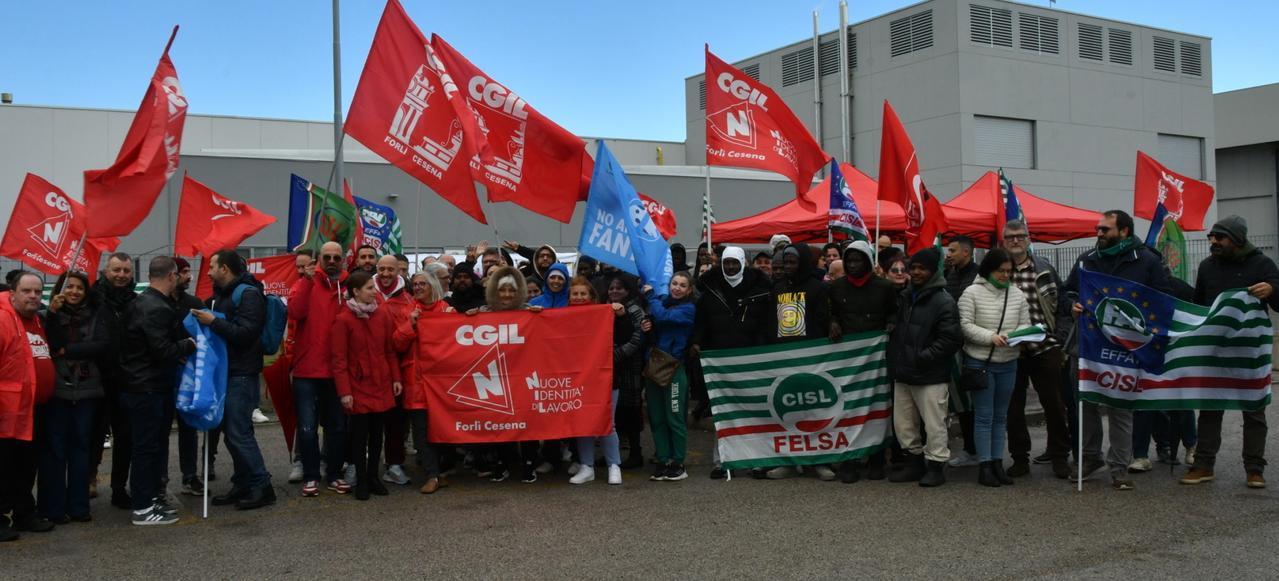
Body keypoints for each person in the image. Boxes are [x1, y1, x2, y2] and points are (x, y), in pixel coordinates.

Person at [1064, 210, 1171, 491]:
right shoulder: (1087, 259)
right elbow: (1068, 291)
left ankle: (1119, 467)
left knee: (1120, 408)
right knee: (1085, 403)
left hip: (1125, 348)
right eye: (1098, 229)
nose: (1099, 234)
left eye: (1105, 230)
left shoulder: (1147, 261)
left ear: (1124, 231)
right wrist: (1071, 305)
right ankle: (1089, 458)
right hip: (1086, 345)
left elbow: (1162, 300)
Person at [1181, 216, 1279, 489]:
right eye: (1212, 236)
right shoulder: (1207, 267)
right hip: (1215, 349)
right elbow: (1199, 305)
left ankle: (1255, 468)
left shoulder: (1262, 264)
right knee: (1210, 408)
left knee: (1254, 410)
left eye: (1220, 237)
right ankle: (1203, 465)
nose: (1213, 242)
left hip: (1250, 352)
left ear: (1236, 239)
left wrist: (1272, 290)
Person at [193, 250, 275, 510]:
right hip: (226, 372)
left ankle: (263, 486)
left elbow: (246, 334)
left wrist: (212, 322)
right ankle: (242, 482)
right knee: (232, 433)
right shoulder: (222, 295)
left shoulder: (248, 294)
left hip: (241, 374)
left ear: (225, 269)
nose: (208, 272)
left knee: (239, 433)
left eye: (212, 266)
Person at [120, 257, 197, 525]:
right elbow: (162, 350)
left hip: (144, 385)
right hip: (147, 388)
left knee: (149, 447)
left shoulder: (141, 302)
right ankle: (143, 507)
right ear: (172, 275)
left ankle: (150, 499)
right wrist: (189, 344)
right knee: (146, 448)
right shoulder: (156, 307)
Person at [1001, 220, 1074, 480]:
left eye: (1020, 236)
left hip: (1045, 346)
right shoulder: (998, 271)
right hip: (1011, 350)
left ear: (1029, 239)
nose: (1015, 241)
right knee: (1013, 408)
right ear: (1004, 240)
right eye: (1010, 237)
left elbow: (1064, 304)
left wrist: (1061, 339)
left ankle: (1059, 457)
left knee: (1054, 405)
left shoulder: (1044, 268)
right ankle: (1020, 459)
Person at [691, 246, 772, 479]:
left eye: (734, 263)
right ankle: (723, 460)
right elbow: (702, 323)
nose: (730, 268)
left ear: (743, 264)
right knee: (723, 412)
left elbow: (766, 324)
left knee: (754, 410)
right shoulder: (710, 290)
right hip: (720, 360)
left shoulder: (760, 289)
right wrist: (697, 342)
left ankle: (758, 460)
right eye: (726, 263)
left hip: (751, 358)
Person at [39, 271, 110, 525]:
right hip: (56, 389)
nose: (74, 291)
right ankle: (53, 508)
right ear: (60, 289)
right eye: (69, 286)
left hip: (87, 389)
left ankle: (79, 507)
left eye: (79, 287)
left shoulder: (96, 313)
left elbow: (101, 345)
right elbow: (50, 344)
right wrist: (54, 315)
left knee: (81, 448)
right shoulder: (47, 315)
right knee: (54, 450)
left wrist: (67, 350)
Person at [888, 248, 962, 488]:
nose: (916, 272)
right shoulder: (906, 296)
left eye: (922, 268)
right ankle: (914, 463)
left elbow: (950, 340)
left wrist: (921, 358)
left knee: (934, 424)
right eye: (914, 267)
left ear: (932, 271)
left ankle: (936, 466)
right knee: (904, 424)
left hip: (929, 375)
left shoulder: (944, 301)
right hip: (904, 373)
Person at [959, 249, 1032, 488]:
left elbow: (1025, 323)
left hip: (1009, 361)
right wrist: (990, 337)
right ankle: (985, 465)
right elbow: (965, 325)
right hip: (980, 361)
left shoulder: (1017, 294)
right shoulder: (971, 293)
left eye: (1009, 272)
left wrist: (1014, 336)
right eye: (1000, 271)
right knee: (984, 416)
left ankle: (998, 462)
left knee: (1001, 417)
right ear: (989, 269)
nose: (1005, 275)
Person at [828, 240, 899, 483]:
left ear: (868, 262)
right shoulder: (836, 288)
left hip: (875, 361)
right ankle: (850, 460)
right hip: (846, 361)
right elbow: (830, 313)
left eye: (857, 260)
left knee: (875, 409)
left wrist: (890, 324)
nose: (852, 265)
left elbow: (894, 312)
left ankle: (877, 459)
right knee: (847, 410)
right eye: (848, 261)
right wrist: (832, 323)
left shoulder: (885, 287)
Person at [287, 241, 352, 497]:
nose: (332, 261)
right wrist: (307, 281)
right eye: (327, 257)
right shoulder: (305, 284)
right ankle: (312, 475)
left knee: (337, 427)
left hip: (337, 371)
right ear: (320, 260)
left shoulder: (348, 286)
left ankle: (334, 473)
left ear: (344, 260)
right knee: (306, 427)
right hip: (307, 371)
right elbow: (295, 311)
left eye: (337, 257)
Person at [332, 271, 403, 501]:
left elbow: (389, 351)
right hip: (358, 385)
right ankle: (361, 479)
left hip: (381, 382)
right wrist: (345, 392)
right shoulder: (344, 320)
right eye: (370, 288)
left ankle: (374, 476)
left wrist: (395, 379)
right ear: (356, 291)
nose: (374, 292)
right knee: (359, 436)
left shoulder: (381, 315)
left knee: (377, 435)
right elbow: (339, 359)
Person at [472, 266, 542, 482]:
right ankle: (502, 463)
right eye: (502, 290)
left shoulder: (529, 311)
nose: (507, 295)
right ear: (494, 291)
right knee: (499, 421)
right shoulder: (483, 313)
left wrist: (540, 318)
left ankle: (529, 463)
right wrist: (469, 319)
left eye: (512, 290)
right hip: (496, 377)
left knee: (526, 419)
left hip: (522, 375)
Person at [1, 272, 57, 539]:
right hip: (7, 410)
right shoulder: (2, 319)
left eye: (37, 291)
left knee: (26, 465)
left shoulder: (36, 319)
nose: (33, 296)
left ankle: (24, 513)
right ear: (13, 293)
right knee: (3, 466)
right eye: (26, 291)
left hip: (33, 409)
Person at [393, 271, 452, 494]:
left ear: (432, 286)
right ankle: (432, 474)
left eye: (422, 284)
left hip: (442, 382)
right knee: (421, 431)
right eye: (415, 284)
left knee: (443, 430)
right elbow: (396, 343)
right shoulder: (406, 312)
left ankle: (440, 471)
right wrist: (411, 325)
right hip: (416, 381)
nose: (417, 287)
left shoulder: (447, 310)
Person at [564, 277, 624, 485]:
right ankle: (587, 466)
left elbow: (625, 335)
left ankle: (614, 465)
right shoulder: (561, 317)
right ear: (569, 296)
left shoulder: (604, 314)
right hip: (577, 379)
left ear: (591, 296)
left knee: (607, 423)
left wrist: (620, 315)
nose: (579, 297)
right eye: (575, 294)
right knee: (583, 423)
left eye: (583, 294)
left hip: (603, 377)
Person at [90, 252, 136, 509]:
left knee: (125, 437)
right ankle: (89, 479)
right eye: (116, 270)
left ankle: (119, 487)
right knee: (93, 435)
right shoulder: (92, 299)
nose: (121, 275)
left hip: (126, 381)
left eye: (126, 271)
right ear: (106, 270)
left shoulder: (135, 301)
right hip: (96, 380)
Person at [644, 272, 696, 482]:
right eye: (674, 283)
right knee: (656, 418)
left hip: (674, 369)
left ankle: (678, 462)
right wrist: (646, 325)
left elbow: (664, 318)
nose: (677, 288)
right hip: (655, 367)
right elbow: (657, 323)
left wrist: (651, 299)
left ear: (689, 290)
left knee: (674, 418)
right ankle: (663, 459)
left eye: (682, 285)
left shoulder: (688, 309)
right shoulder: (662, 304)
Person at [373, 255, 415, 487]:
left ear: (398, 271)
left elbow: (402, 342)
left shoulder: (408, 300)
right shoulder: (366, 292)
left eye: (391, 269)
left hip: (397, 369)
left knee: (396, 421)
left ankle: (394, 464)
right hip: (368, 368)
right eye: (382, 269)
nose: (386, 273)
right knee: (366, 422)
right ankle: (360, 464)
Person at [603, 274, 649, 470]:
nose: (614, 291)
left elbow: (638, 339)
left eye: (619, 288)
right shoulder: (604, 309)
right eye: (611, 288)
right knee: (615, 412)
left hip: (630, 368)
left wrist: (615, 355)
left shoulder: (635, 310)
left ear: (628, 291)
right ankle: (611, 455)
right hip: (611, 368)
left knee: (631, 410)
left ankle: (636, 453)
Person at [171, 258, 209, 496]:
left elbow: (204, 336)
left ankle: (190, 476)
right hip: (162, 374)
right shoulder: (154, 302)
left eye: (188, 271)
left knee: (188, 427)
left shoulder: (194, 304)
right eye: (183, 272)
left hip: (188, 374)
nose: (189, 276)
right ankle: (158, 480)